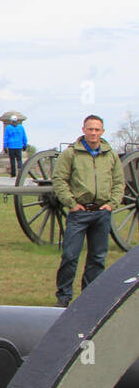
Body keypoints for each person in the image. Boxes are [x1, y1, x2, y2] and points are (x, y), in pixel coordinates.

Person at [52, 115, 125, 307]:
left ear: (102, 132)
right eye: (90, 129)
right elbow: (59, 179)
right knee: (70, 256)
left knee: (98, 258)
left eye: (97, 130)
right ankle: (64, 297)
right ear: (83, 130)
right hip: (79, 212)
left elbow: (119, 182)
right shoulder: (71, 154)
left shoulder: (110, 155)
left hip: (102, 212)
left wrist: (113, 203)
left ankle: (89, 298)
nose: (93, 133)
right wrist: (71, 202)